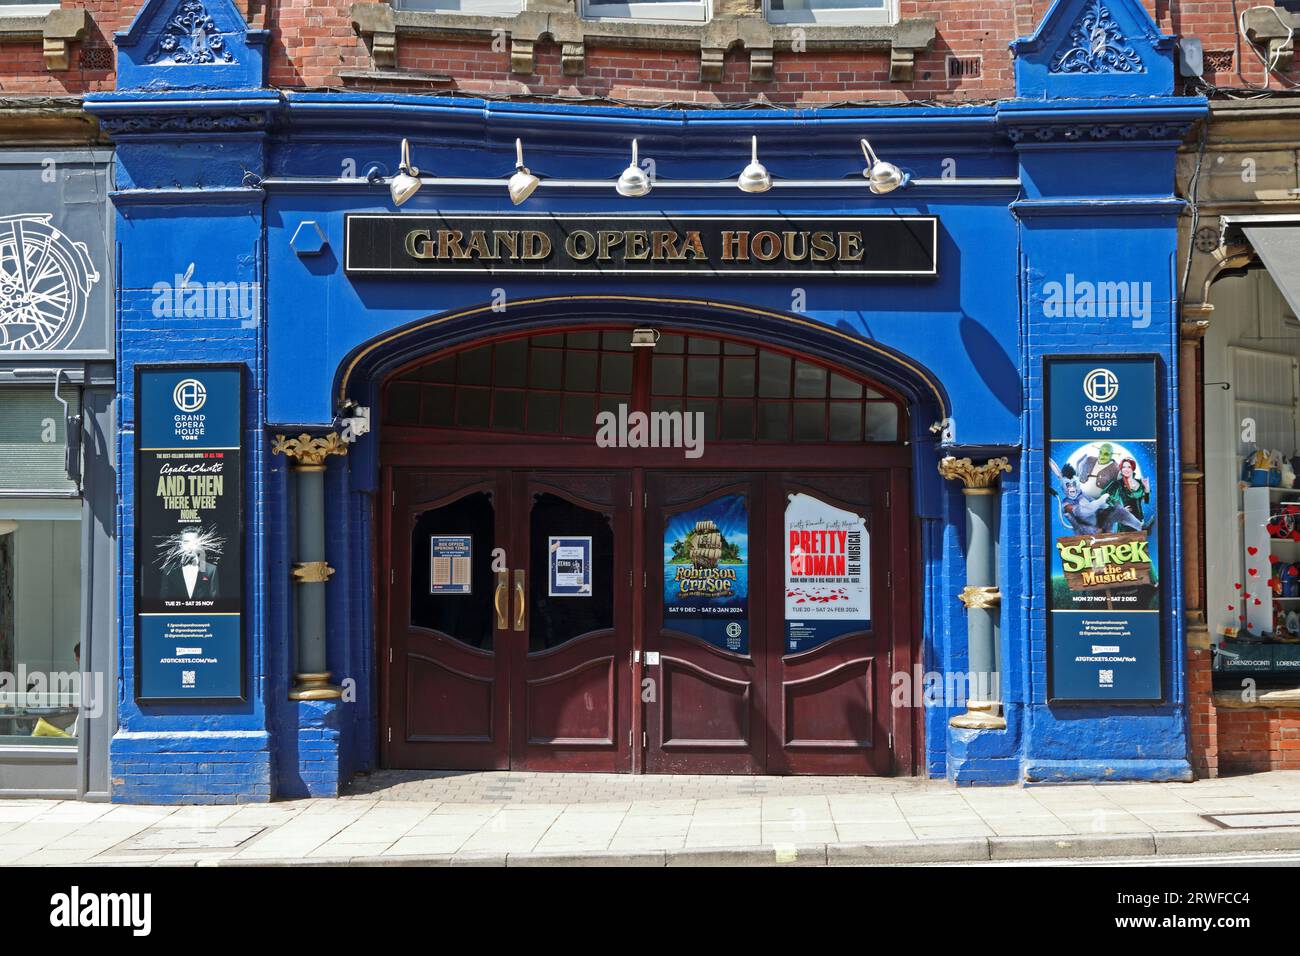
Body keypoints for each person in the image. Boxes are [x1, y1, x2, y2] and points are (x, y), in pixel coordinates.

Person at [160, 528, 221, 601]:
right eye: (186, 542)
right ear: (180, 544)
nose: (190, 546)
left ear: (199, 544)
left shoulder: (211, 570)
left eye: (194, 542)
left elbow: (215, 602)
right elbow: (163, 601)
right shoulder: (168, 570)